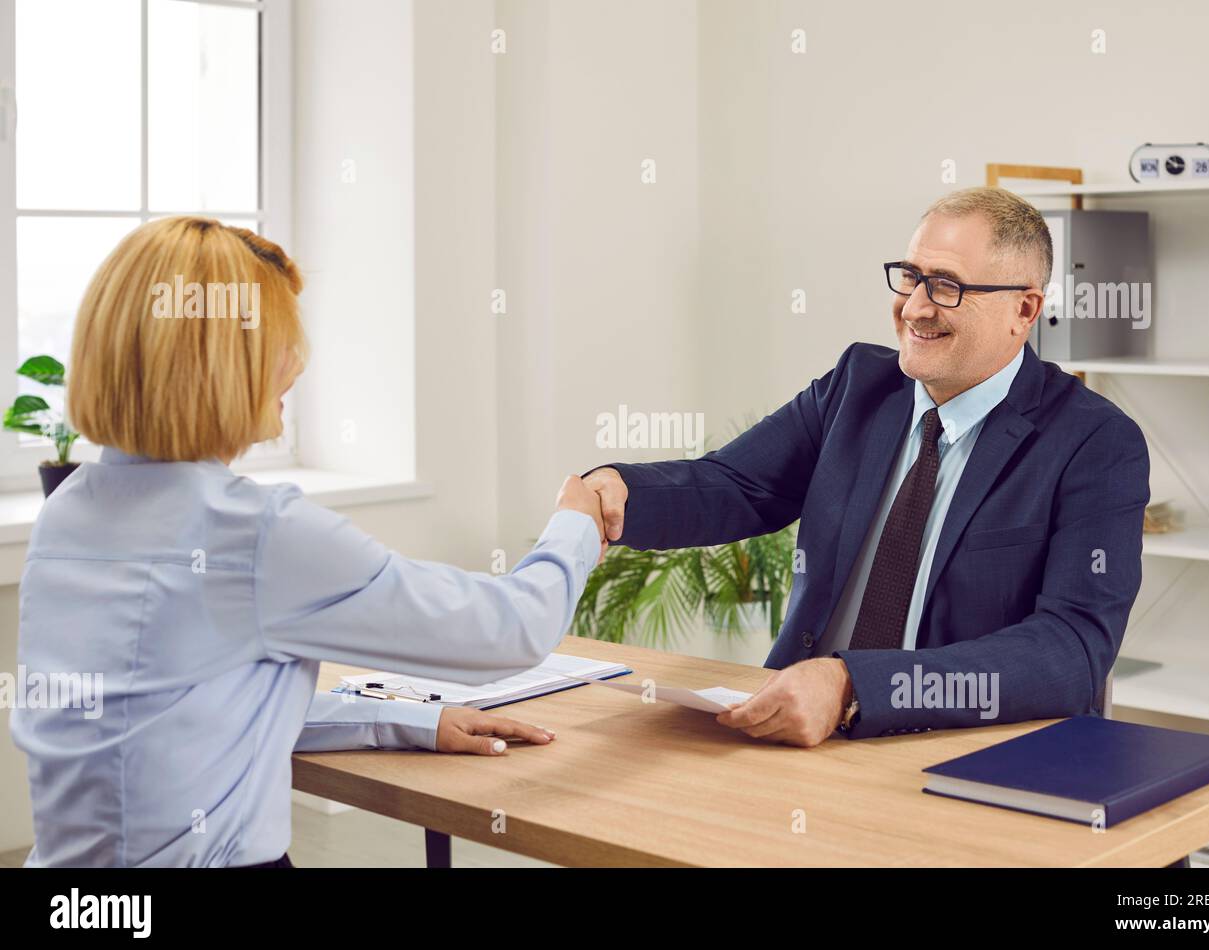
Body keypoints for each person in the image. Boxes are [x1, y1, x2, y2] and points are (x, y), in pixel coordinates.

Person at [10, 217, 605, 867]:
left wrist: (406, 720)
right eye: (280, 348)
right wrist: (576, 523)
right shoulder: (259, 533)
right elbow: (509, 628)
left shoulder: (68, 511)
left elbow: (176, 714)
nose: (295, 367)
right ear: (221, 363)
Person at [583, 187, 1150, 747]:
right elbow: (737, 485)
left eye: (947, 286)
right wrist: (618, 493)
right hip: (801, 728)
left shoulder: (1094, 441)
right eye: (910, 276)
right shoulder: (857, 385)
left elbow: (1071, 647)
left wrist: (856, 684)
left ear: (1023, 309)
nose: (916, 307)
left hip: (962, 749)